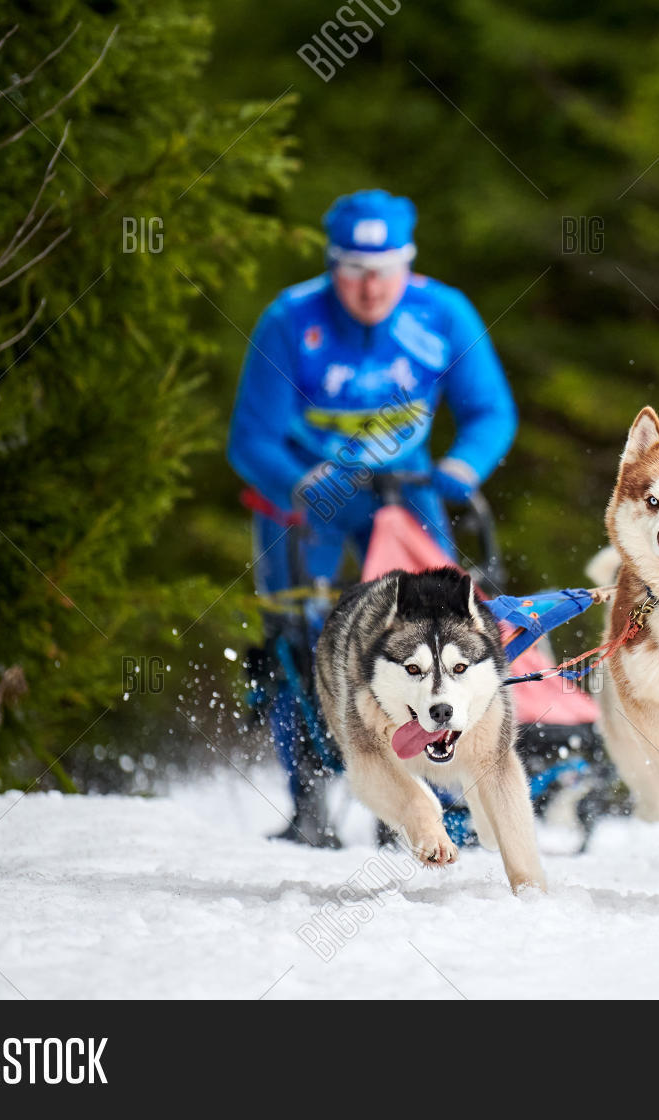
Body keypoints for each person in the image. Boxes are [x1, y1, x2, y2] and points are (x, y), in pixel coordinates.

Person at [228, 189, 517, 846]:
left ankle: (439, 793)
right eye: (354, 270)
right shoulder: (289, 320)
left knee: (436, 632)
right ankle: (309, 802)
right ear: (333, 265)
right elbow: (251, 440)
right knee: (296, 634)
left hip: (405, 493)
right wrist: (298, 484)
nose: (370, 288)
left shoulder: (443, 313)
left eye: (384, 270)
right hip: (309, 499)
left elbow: (490, 411)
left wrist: (463, 467)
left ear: (408, 263)